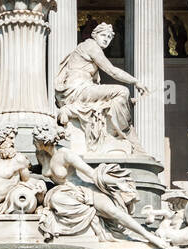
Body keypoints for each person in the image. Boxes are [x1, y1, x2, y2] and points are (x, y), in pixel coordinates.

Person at [33, 124, 169, 248]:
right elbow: (39, 170)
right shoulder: (40, 154)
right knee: (56, 199)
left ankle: (149, 236)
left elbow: (91, 173)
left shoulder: (66, 155)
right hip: (63, 191)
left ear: (45, 141)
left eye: (36, 140)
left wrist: (117, 182)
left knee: (114, 212)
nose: (34, 142)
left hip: (82, 189)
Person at [54, 22, 147, 153]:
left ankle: (119, 134)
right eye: (103, 35)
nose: (106, 39)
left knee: (120, 98)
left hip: (83, 88)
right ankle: (124, 133)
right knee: (123, 91)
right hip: (78, 90)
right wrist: (135, 81)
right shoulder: (91, 46)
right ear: (94, 35)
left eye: (109, 37)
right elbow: (112, 71)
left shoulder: (88, 47)